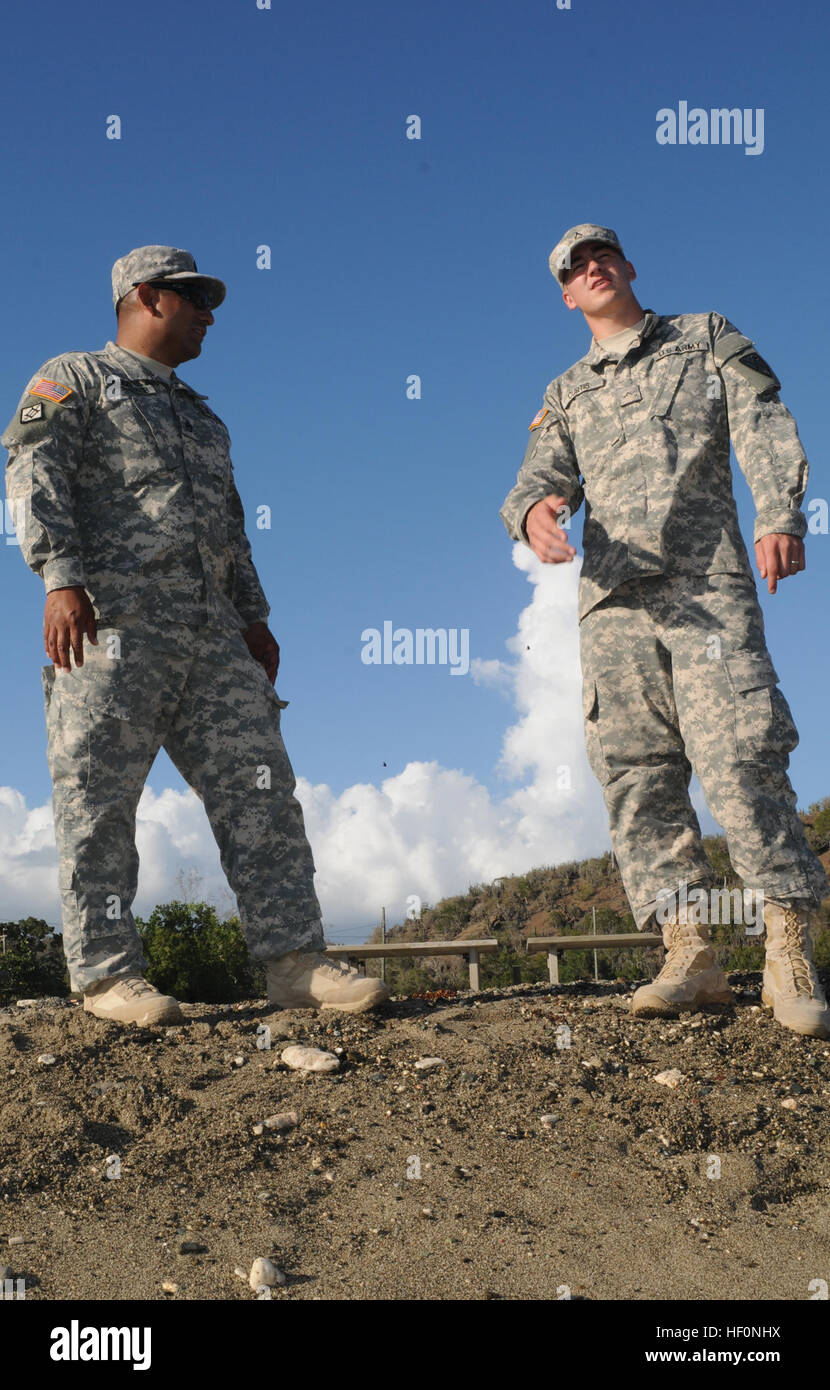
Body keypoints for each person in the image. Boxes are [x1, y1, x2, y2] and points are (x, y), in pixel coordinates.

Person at [4, 245, 389, 1026]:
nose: (210, 315)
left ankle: (293, 963)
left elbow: (232, 529)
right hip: (111, 624)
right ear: (146, 297)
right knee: (98, 799)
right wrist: (60, 578)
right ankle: (109, 975)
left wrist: (255, 617)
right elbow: (31, 470)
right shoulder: (72, 378)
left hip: (213, 637)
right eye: (194, 299)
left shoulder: (203, 416)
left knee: (264, 793)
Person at [500, 223, 829, 1038]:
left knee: (741, 754)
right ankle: (692, 955)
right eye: (575, 268)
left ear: (628, 266)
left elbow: (761, 418)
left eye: (602, 254)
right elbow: (541, 477)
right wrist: (534, 513)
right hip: (613, 602)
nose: (593, 268)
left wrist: (779, 511)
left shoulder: (704, 337)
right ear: (568, 296)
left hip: (706, 582)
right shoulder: (566, 390)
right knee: (635, 771)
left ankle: (788, 948)